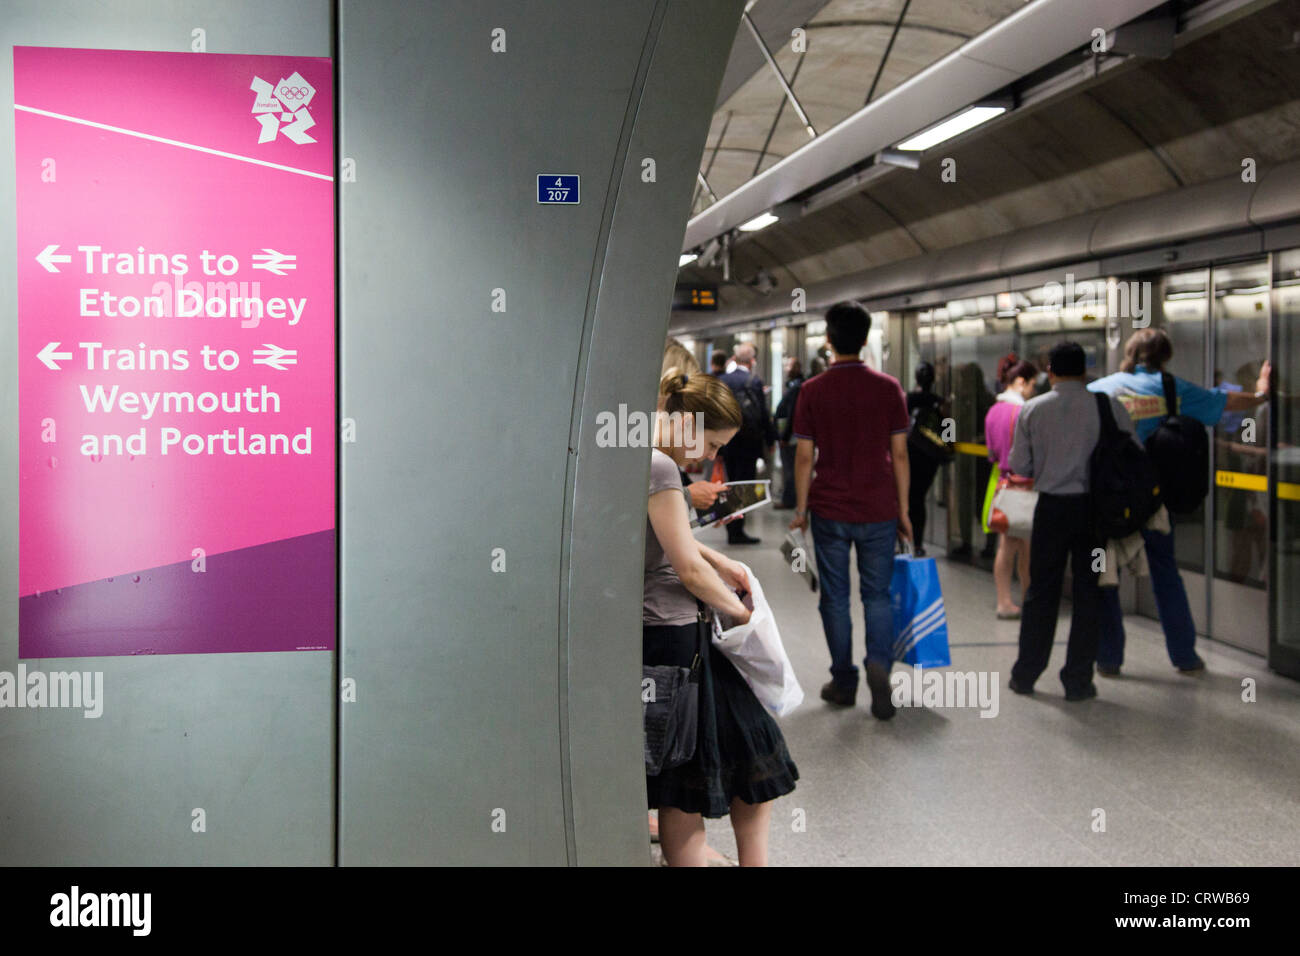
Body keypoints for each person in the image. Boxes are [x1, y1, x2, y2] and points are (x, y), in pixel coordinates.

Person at [644, 369, 798, 866]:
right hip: (670, 633)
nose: (709, 457)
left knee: (739, 748)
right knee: (685, 779)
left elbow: (678, 548)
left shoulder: (645, 458)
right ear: (686, 422)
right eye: (710, 443)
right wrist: (742, 615)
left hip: (678, 628)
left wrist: (722, 563)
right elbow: (685, 566)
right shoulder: (660, 468)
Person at [1087, 328, 1270, 676]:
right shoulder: (1173, 389)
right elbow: (1223, 403)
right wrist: (1261, 395)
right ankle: (1184, 655)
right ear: (1165, 356)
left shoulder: (1103, 388)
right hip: (1154, 498)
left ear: (1130, 353)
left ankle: (1109, 657)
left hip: (1110, 498)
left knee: (1105, 575)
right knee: (1165, 572)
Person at [788, 302, 911, 719]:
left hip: (830, 509)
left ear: (828, 340)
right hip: (879, 508)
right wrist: (905, 511)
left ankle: (843, 681)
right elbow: (899, 454)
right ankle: (879, 663)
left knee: (835, 598)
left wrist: (802, 509)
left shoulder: (812, 391)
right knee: (877, 596)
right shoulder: (889, 388)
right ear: (864, 339)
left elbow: (805, 457)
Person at [1008, 341, 1134, 701]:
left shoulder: (1032, 410)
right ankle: (1078, 679)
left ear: (1050, 371)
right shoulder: (1107, 406)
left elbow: (1020, 467)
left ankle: (1026, 673)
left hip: (1050, 511)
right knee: (1088, 591)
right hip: (1095, 515)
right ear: (1084, 371)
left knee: (1041, 591)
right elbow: (1130, 450)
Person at [984, 356, 1037, 619]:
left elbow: (992, 453)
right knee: (1018, 545)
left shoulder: (993, 411)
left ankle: (1014, 598)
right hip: (1023, 485)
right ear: (1020, 382)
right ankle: (1011, 600)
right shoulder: (1022, 412)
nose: (1033, 391)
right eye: (1032, 385)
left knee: (1011, 544)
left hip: (1002, 484)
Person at [718, 343, 777, 545]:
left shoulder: (723, 380)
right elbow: (763, 415)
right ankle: (738, 529)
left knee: (731, 483)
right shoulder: (754, 381)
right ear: (752, 361)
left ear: (734, 359)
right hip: (749, 444)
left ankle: (730, 527)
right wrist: (770, 440)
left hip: (727, 442)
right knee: (745, 485)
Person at [905, 361, 944, 556]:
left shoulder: (908, 399)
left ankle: (905, 539)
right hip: (930, 458)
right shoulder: (939, 402)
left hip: (909, 454)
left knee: (906, 498)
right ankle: (918, 543)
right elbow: (949, 432)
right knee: (919, 499)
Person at [773, 357, 806, 510]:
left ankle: (790, 499)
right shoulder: (795, 386)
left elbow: (792, 413)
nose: (786, 369)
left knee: (790, 469)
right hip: (790, 434)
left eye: (789, 366)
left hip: (791, 437)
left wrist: (784, 436)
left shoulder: (796, 388)